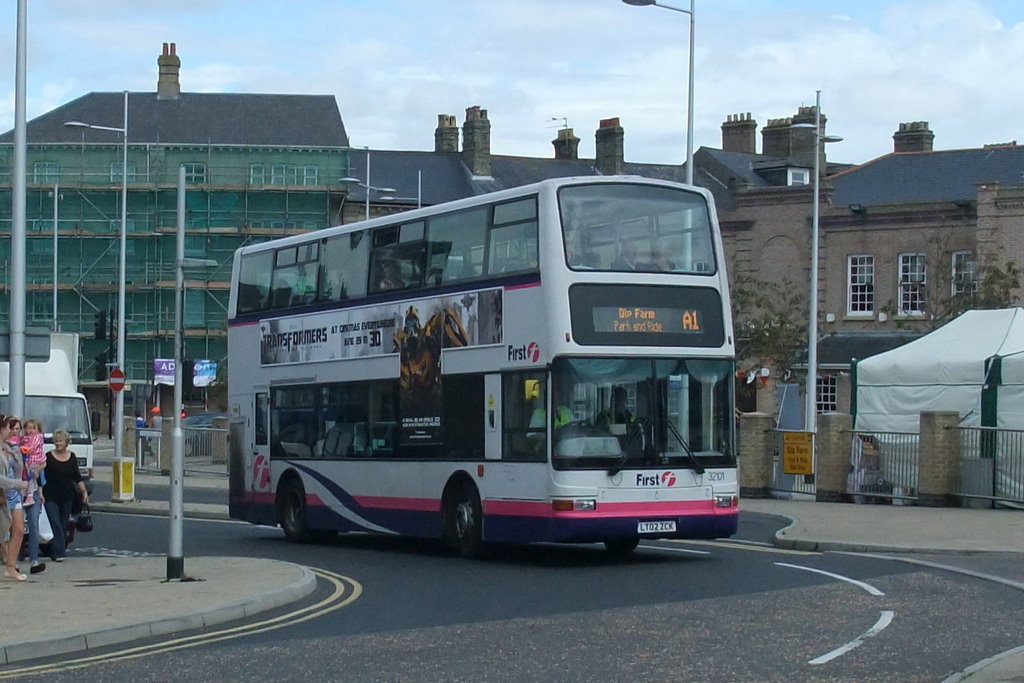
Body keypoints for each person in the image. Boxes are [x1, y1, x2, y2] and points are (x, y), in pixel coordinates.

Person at [43, 429, 88, 563]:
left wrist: (84, 492)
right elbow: (42, 476)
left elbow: (77, 476)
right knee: (55, 523)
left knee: (63, 524)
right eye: (56, 441)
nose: (58, 443)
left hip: (67, 496)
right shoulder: (48, 456)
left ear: (66, 442)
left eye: (60, 441)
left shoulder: (72, 457)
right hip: (50, 495)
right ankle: (59, 553)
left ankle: (54, 550)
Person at [0, 415, 29, 581]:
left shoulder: (9, 447)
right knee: (2, 531)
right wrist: (18, 483)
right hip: (3, 494)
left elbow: (19, 468)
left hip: (14, 495)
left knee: (18, 530)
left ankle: (11, 567)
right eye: (7, 428)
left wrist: (17, 451)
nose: (10, 431)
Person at [19, 418, 46, 574]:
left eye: (33, 428)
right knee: (17, 527)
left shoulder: (37, 443)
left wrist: (41, 492)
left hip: (34, 490)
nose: (30, 431)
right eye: (27, 428)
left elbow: (43, 463)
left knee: (34, 525)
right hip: (19, 490)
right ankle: (14, 560)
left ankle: (34, 560)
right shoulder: (19, 443)